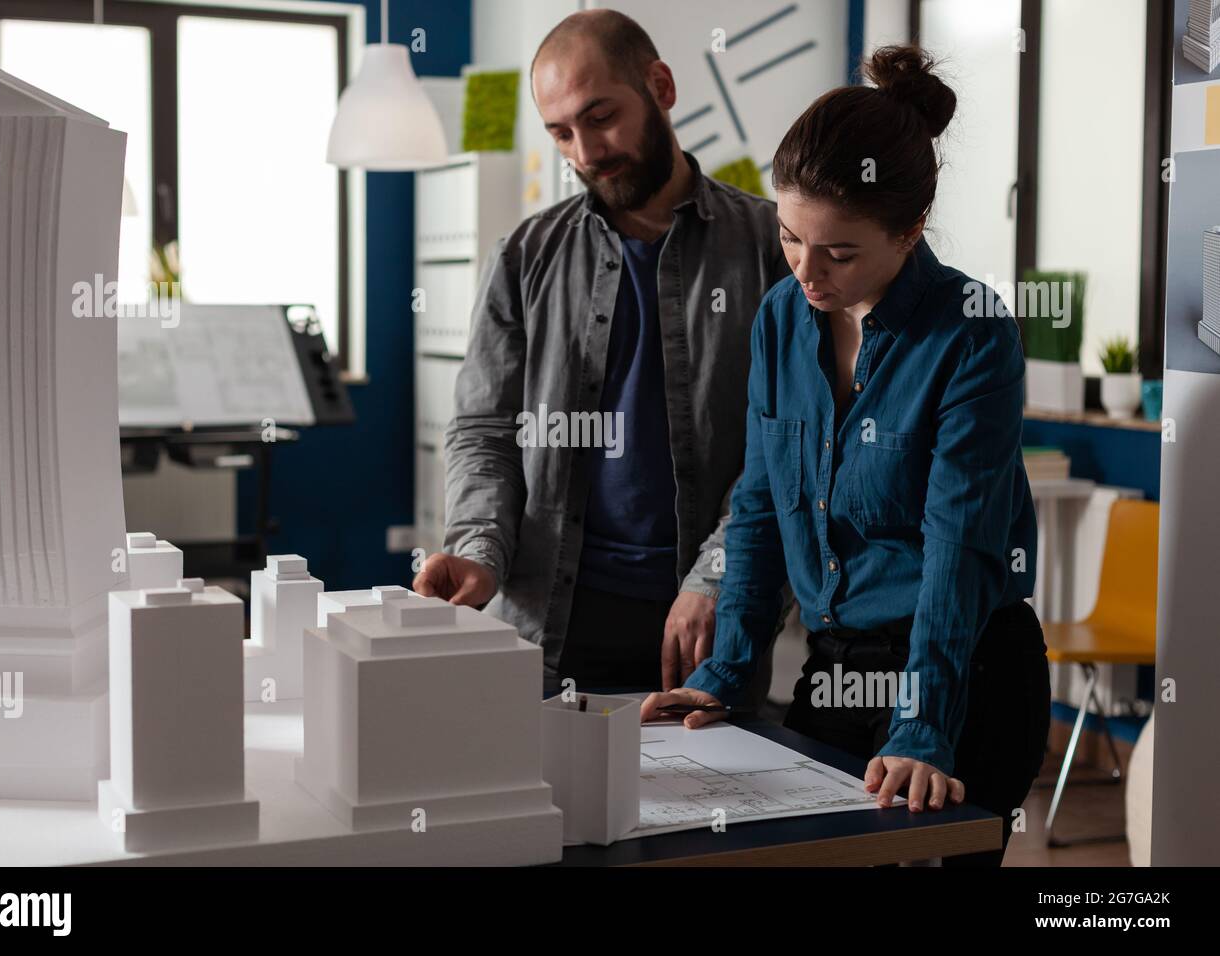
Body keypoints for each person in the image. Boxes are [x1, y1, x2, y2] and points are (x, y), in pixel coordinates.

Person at [641, 45, 1051, 867]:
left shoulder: (973, 331)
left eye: (839, 252)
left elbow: (960, 546)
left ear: (909, 230)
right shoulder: (780, 319)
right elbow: (759, 504)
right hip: (836, 669)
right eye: (790, 237)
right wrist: (725, 672)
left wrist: (924, 726)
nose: (806, 270)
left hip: (963, 665)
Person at [412, 9, 790, 694]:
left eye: (601, 117)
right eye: (561, 132)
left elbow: (790, 447)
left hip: (707, 623)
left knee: (715, 801)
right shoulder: (523, 256)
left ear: (661, 87)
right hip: (545, 621)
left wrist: (718, 575)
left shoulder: (771, 248)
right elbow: (484, 429)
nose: (585, 154)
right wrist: (478, 550)